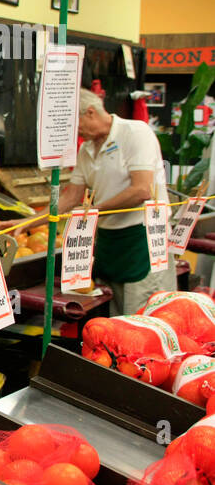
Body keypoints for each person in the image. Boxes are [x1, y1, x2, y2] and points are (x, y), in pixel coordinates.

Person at [61, 88, 175, 315]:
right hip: (109, 243)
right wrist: (31, 221)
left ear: (90, 112)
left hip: (142, 239)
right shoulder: (86, 149)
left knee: (144, 317)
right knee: (113, 320)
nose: (77, 133)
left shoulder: (135, 133)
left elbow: (141, 190)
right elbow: (72, 196)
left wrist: (93, 211)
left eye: (76, 125)